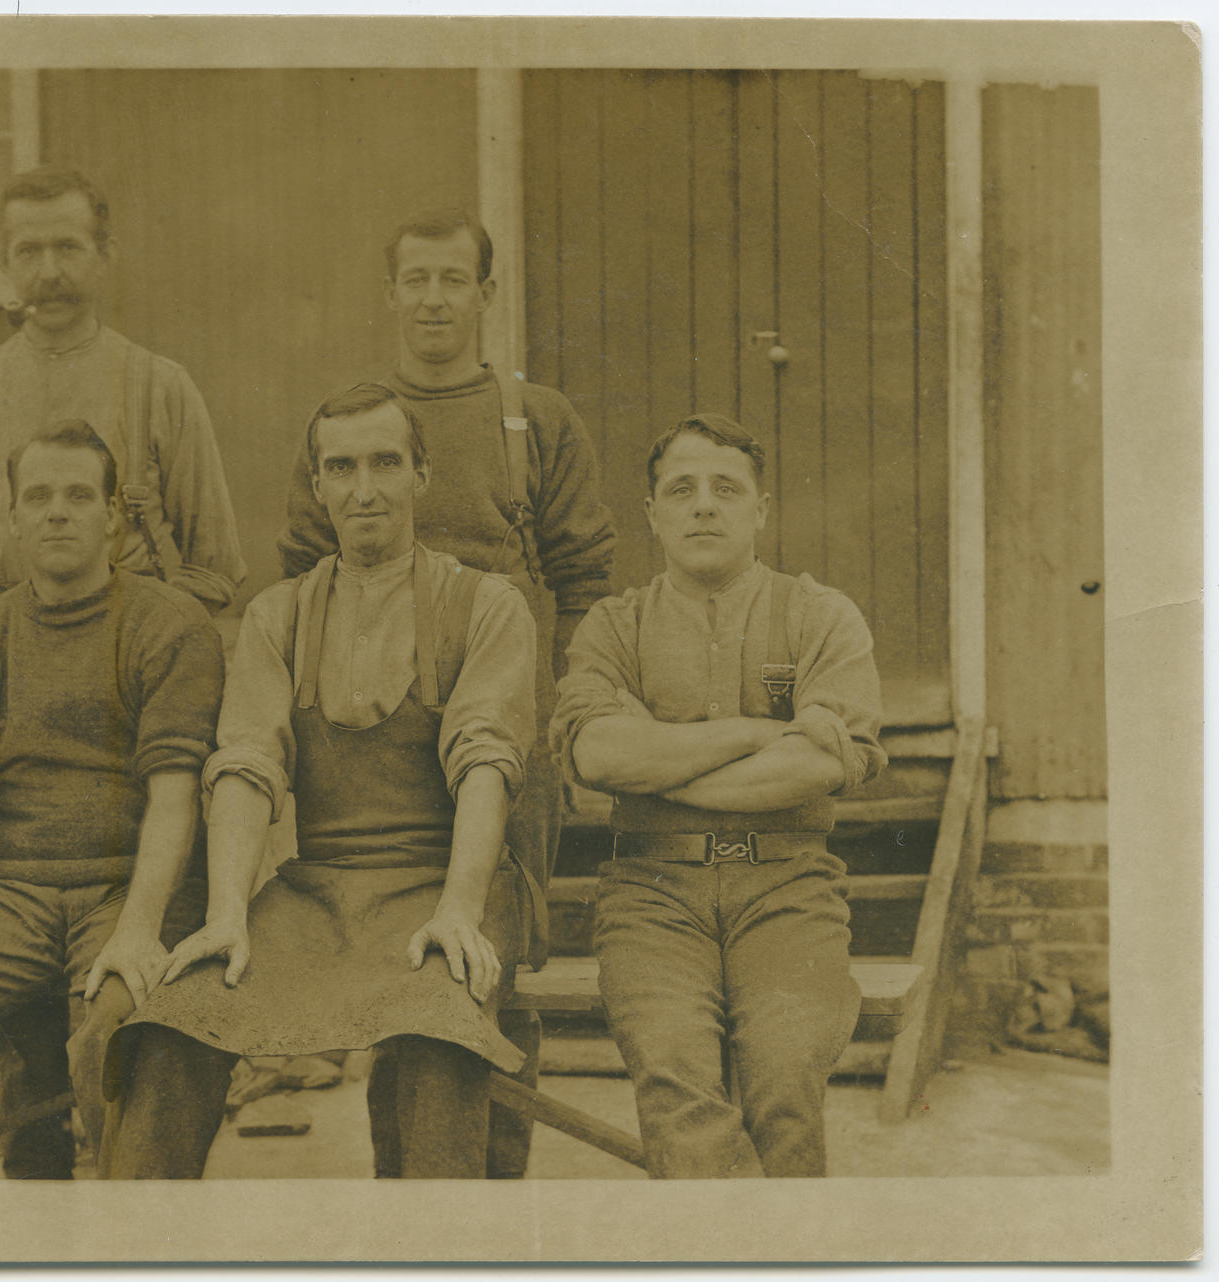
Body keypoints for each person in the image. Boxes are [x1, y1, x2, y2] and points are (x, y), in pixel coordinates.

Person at [105, 383, 538, 1179]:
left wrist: (458, 910)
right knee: (176, 1027)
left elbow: (487, 763)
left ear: (422, 475)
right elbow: (245, 766)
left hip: (445, 885)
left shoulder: (485, 604)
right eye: (341, 468)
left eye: (385, 463)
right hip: (314, 894)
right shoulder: (280, 615)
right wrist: (229, 913)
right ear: (317, 484)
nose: (364, 489)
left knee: (440, 1030)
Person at [277, 206, 616, 1177]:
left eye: (451, 279)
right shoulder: (348, 427)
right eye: (414, 279)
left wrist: (574, 724)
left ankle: (490, 1197)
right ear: (389, 294)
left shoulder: (531, 422)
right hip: (373, 745)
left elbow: (586, 581)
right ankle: (414, 1193)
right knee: (399, 974)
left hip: (504, 741)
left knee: (490, 973)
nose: (432, 298)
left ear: (485, 293)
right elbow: (298, 579)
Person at [0, 419, 224, 1179]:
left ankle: (140, 1252)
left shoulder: (168, 623)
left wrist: (139, 928)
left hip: (128, 884)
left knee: (124, 1027)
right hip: (11, 895)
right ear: (12, 519)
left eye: (78, 495)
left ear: (112, 517)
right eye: (39, 496)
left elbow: (175, 793)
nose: (58, 511)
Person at [554, 413, 887, 1178]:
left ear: (761, 510)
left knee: (786, 1077)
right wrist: (764, 732)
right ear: (653, 514)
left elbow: (816, 769)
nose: (704, 505)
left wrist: (660, 759)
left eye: (726, 488)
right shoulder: (613, 627)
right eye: (682, 489)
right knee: (676, 1081)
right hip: (650, 893)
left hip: (789, 886)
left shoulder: (820, 615)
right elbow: (597, 752)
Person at [0, 164, 247, 613]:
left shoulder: (160, 385)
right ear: (2, 262)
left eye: (68, 248)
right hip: (2, 657)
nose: (50, 272)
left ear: (105, 254)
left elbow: (214, 567)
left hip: (125, 655)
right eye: (29, 251)